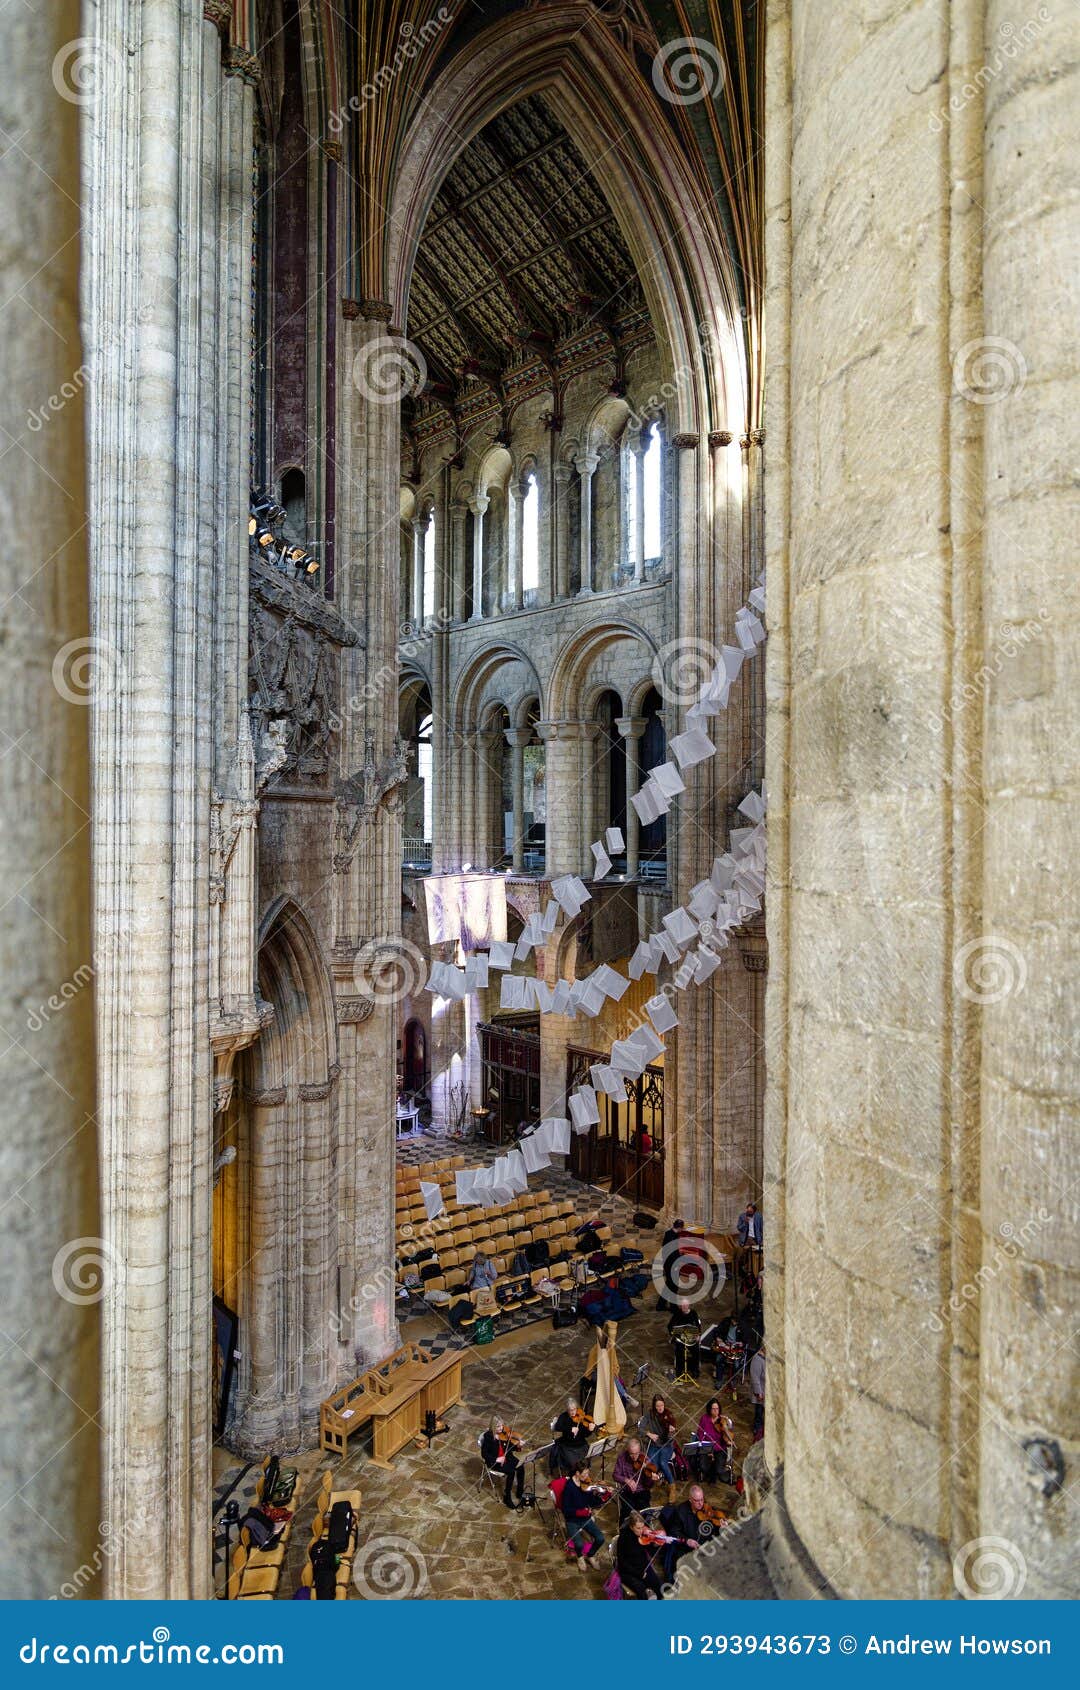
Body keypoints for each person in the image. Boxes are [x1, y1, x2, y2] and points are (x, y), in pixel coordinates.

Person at [560, 1465, 607, 1566]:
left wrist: (604, 1495)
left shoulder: (587, 1484)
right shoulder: (569, 1487)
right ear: (577, 1473)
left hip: (585, 1519)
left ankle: (590, 1555)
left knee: (600, 1538)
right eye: (584, 1474)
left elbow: (593, 1502)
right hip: (572, 1520)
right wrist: (580, 1512)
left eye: (587, 1473)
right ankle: (580, 1557)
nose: (587, 1476)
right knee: (579, 1544)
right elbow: (566, 1510)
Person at [615, 1512, 667, 1600]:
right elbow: (622, 1562)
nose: (641, 1530)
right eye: (638, 1528)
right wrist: (638, 1573)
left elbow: (651, 1551)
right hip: (629, 1571)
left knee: (658, 1586)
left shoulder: (644, 1535)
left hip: (644, 1566)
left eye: (642, 1527)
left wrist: (657, 1544)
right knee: (641, 1591)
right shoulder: (623, 1537)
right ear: (631, 1527)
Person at [658, 1485, 705, 1581]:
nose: (701, 1504)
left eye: (702, 1499)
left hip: (700, 1539)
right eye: (697, 1500)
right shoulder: (680, 1512)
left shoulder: (704, 1506)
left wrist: (720, 1524)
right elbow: (673, 1532)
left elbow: (710, 1522)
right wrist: (687, 1541)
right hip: (684, 1545)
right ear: (690, 1500)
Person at [480, 1416, 525, 1508]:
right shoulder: (488, 1436)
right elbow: (484, 1454)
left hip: (507, 1457)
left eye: (501, 1426)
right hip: (495, 1462)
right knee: (511, 1472)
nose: (501, 1428)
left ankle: (520, 1491)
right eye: (498, 1426)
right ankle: (507, 1496)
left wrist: (518, 1446)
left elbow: (510, 1446)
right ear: (492, 1426)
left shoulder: (503, 1433)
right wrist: (496, 1459)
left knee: (521, 1465)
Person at [638, 1394, 678, 1494]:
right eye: (658, 1406)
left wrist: (671, 1431)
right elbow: (640, 1428)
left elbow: (672, 1435)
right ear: (654, 1406)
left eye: (662, 1405)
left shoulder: (668, 1415)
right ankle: (657, 1478)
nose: (660, 1408)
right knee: (651, 1465)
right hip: (654, 1444)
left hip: (666, 1445)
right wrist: (649, 1434)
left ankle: (672, 1486)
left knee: (662, 1463)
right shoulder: (650, 1414)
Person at [613, 1435, 655, 1522]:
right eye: (631, 1453)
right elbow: (615, 1475)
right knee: (626, 1513)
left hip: (642, 1491)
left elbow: (649, 1485)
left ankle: (646, 1531)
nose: (635, 1457)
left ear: (640, 1450)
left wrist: (650, 1478)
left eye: (637, 1453)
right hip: (627, 1492)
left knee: (645, 1513)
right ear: (627, 1450)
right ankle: (623, 1532)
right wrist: (626, 1480)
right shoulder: (622, 1458)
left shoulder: (645, 1459)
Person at [692, 1399, 733, 1483]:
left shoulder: (723, 1420)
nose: (715, 1411)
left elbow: (728, 1434)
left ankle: (715, 1471)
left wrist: (728, 1438)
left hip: (720, 1448)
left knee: (719, 1470)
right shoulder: (704, 1418)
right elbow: (700, 1433)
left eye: (717, 1409)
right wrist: (707, 1449)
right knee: (703, 1467)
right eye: (713, 1409)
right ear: (709, 1409)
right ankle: (710, 1472)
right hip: (707, 1447)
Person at [550, 1396, 592, 1474]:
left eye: (574, 1409)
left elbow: (585, 1435)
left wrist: (590, 1430)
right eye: (570, 1410)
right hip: (568, 1446)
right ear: (567, 1410)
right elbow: (558, 1427)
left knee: (586, 1462)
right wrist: (570, 1429)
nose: (573, 1412)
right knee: (574, 1464)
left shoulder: (581, 1416)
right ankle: (574, 1476)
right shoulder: (564, 1417)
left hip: (581, 1445)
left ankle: (583, 1476)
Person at [750, 1342, 766, 1440]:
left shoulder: (768, 1358)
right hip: (760, 1391)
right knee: (759, 1412)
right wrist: (758, 1392)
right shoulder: (757, 1359)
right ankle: (757, 1430)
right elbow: (755, 1377)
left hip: (767, 1390)